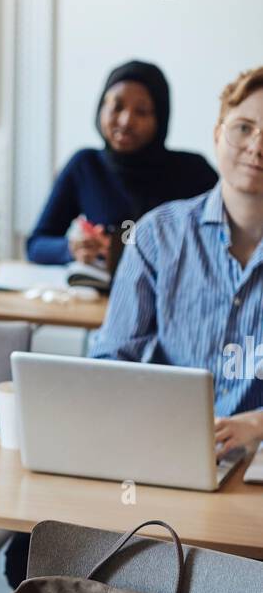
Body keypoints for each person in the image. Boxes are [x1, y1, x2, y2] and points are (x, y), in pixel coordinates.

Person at [91, 64, 263, 454]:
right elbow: (111, 362)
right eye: (243, 128)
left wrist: (257, 424)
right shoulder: (157, 236)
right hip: (166, 448)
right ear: (218, 133)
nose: (256, 146)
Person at [27, 60, 217, 266]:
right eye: (116, 107)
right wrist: (73, 247)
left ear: (160, 119)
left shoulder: (194, 171)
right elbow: (37, 244)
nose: (126, 121)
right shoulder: (85, 165)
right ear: (101, 109)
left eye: (142, 111)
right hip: (98, 295)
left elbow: (224, 244)